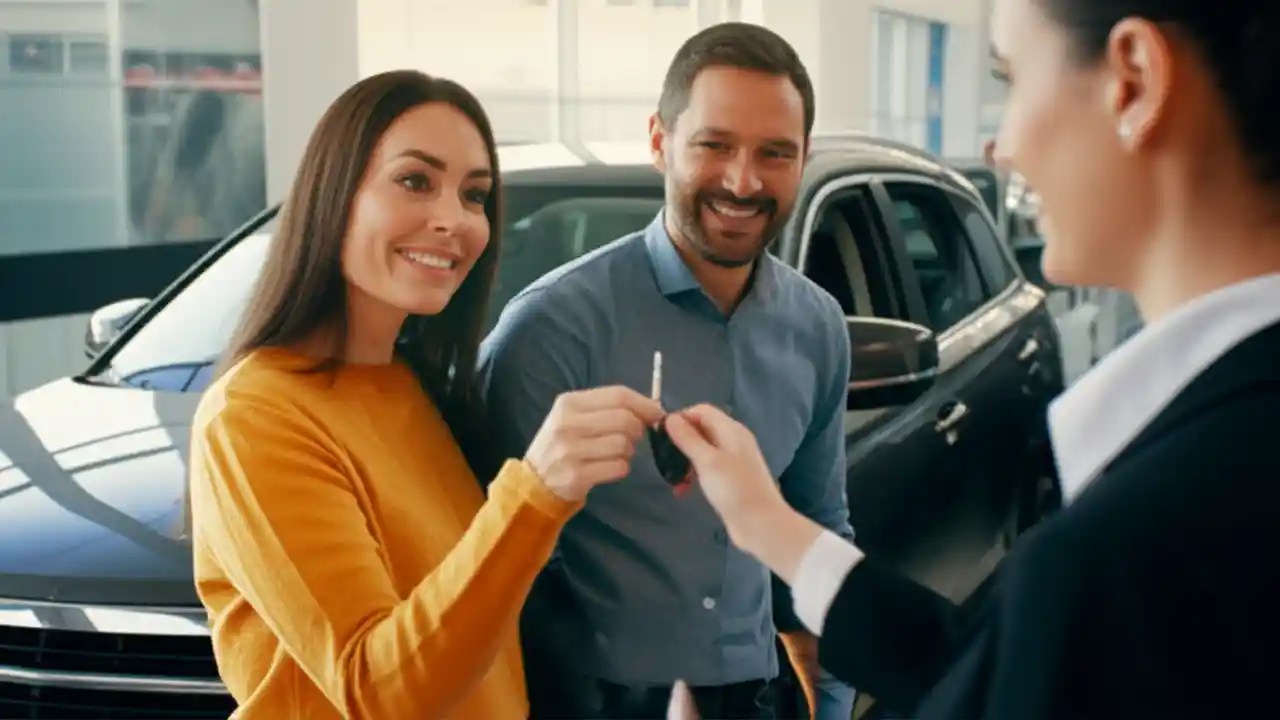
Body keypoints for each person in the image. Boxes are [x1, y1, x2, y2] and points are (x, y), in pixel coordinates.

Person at [662, 0, 1280, 718]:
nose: (1000, 146)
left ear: (1133, 82)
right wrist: (771, 526)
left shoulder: (1133, 553)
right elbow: (1002, 665)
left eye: (1011, 79)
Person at [186, 70, 663, 720]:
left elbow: (475, 641)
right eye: (415, 181)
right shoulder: (255, 415)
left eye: (475, 195)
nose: (453, 220)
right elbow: (380, 695)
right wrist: (535, 496)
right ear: (335, 194)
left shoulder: (417, 388)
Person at [478, 22, 856, 720]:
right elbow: (496, 573)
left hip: (760, 697)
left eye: (774, 153)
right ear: (660, 141)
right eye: (714, 145)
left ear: (803, 158)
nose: (743, 181)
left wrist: (829, 706)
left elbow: (817, 524)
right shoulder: (549, 330)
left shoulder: (818, 325)